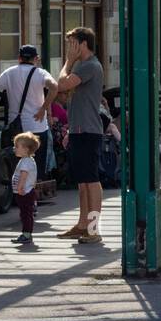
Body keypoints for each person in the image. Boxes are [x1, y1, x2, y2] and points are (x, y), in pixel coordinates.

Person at [0, 44, 57, 180]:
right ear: (36, 58)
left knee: (17, 166)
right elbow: (54, 87)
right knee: (36, 168)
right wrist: (43, 108)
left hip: (17, 129)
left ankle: (18, 194)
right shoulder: (41, 73)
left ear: (19, 58)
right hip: (37, 127)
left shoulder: (10, 73)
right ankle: (32, 195)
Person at [54, 27, 105, 245]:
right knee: (82, 181)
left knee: (91, 180)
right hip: (77, 129)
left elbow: (61, 85)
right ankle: (82, 224)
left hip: (89, 130)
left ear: (83, 44)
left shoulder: (90, 65)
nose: (69, 48)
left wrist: (67, 62)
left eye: (72, 43)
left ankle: (94, 229)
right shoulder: (82, 66)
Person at [9, 131, 41, 245]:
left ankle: (27, 234)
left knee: (26, 214)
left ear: (26, 149)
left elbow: (24, 176)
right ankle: (26, 233)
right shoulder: (27, 160)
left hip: (24, 192)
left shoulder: (26, 162)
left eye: (17, 146)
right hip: (27, 191)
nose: (15, 148)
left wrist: (20, 187)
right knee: (25, 213)